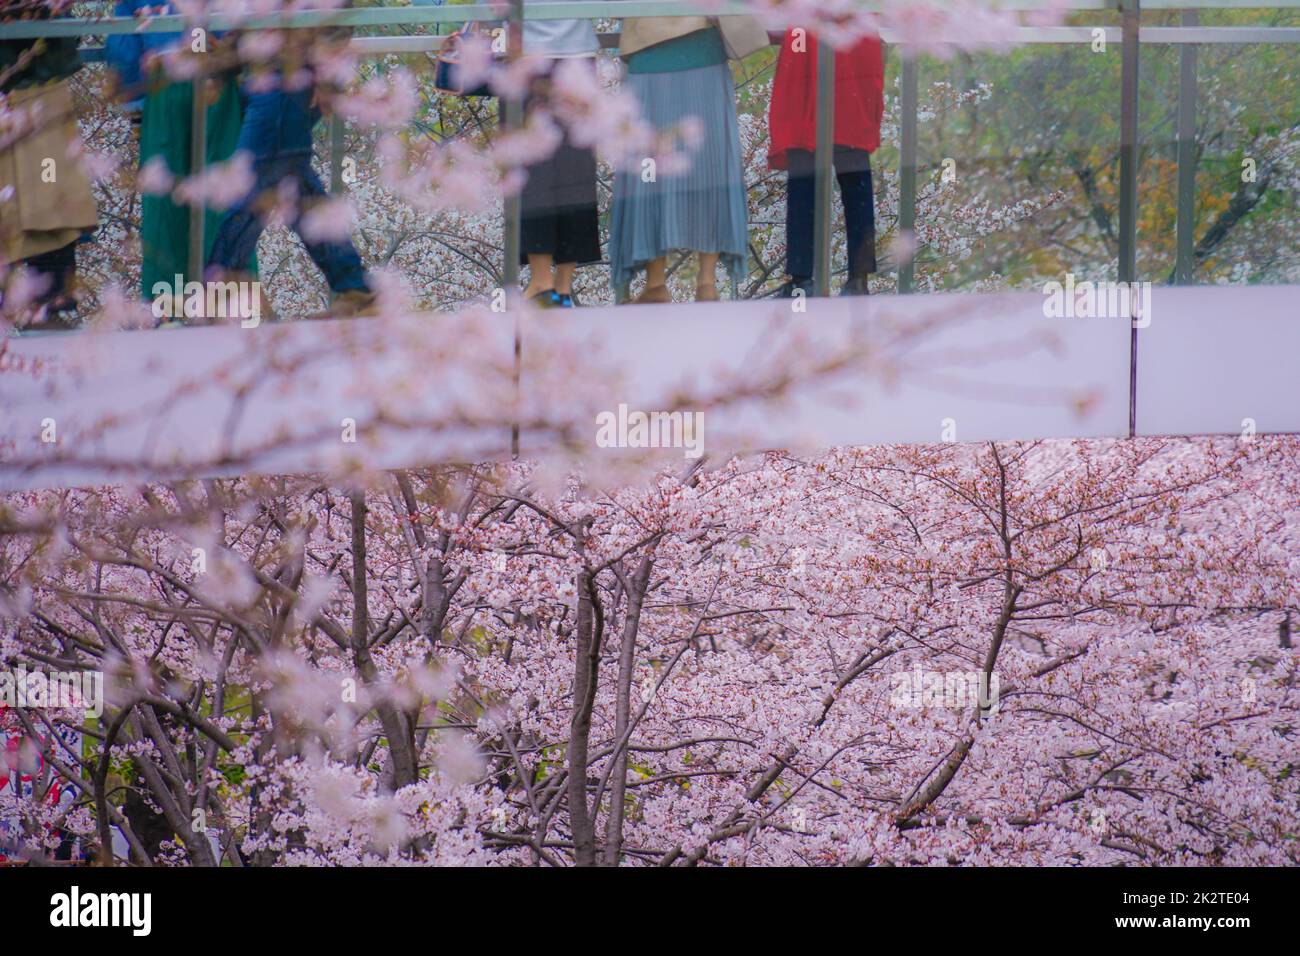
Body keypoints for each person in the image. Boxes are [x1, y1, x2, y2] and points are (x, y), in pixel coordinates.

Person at [205, 27, 373, 318]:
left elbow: (333, 13)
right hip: (268, 80)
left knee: (254, 180)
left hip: (287, 80)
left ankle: (222, 285)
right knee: (294, 188)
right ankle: (356, 289)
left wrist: (326, 76)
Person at [608, 14, 764, 303]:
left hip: (649, 51)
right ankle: (707, 282)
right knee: (709, 164)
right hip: (702, 47)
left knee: (649, 167)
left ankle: (656, 282)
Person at [106, 0, 253, 303]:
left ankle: (167, 302)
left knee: (166, 198)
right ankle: (231, 298)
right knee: (224, 194)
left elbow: (123, 46)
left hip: (164, 82)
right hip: (220, 80)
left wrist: (135, 108)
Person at [0, 0, 98, 329]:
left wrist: (38, 15)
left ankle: (50, 299)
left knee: (51, 197)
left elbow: (66, 41)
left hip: (44, 103)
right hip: (14, 102)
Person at [768, 30, 884, 297]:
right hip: (848, 44)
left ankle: (803, 278)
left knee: (806, 175)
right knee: (852, 171)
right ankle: (857, 276)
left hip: (814, 42)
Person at [517, 9, 602, 308]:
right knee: (576, 171)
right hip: (578, 56)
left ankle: (542, 281)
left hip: (528, 57)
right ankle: (563, 286)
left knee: (532, 170)